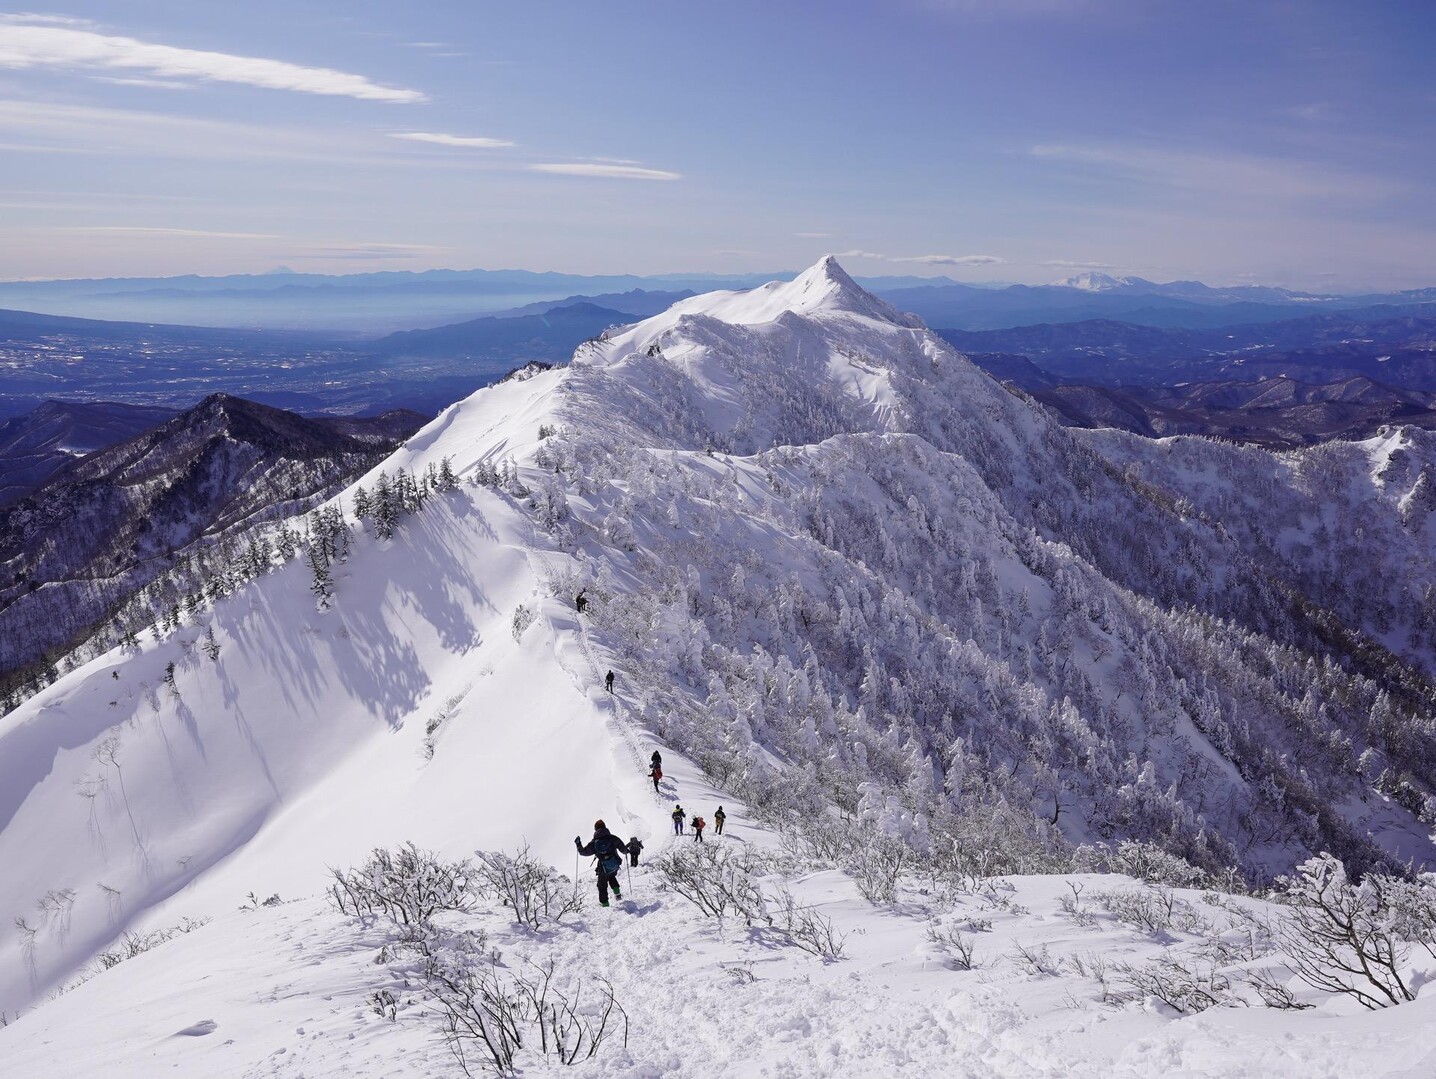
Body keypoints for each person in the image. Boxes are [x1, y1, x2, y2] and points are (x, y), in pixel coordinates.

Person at [575, 820, 629, 907]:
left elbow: (583, 852)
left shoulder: (594, 842)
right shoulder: (612, 838)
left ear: (596, 829)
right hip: (614, 864)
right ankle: (618, 895)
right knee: (612, 876)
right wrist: (627, 851)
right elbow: (623, 848)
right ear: (604, 827)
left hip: (603, 867)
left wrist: (578, 844)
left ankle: (605, 904)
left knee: (602, 885)